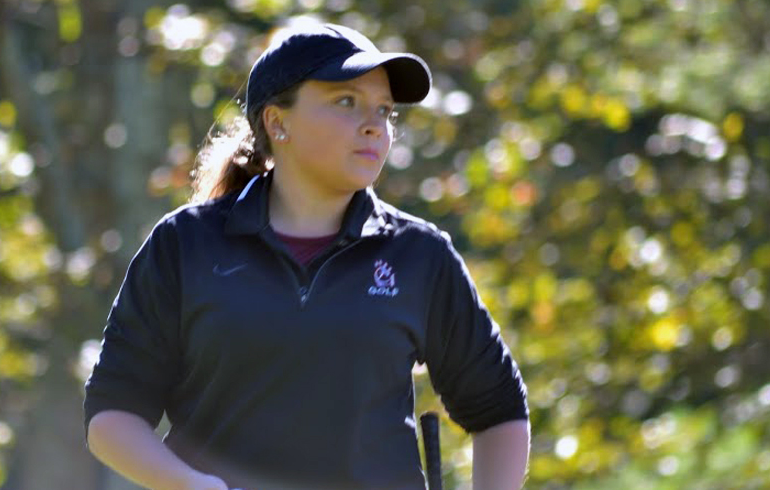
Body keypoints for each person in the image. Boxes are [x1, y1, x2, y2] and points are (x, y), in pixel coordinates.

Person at [84, 20, 530, 490]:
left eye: (384, 111)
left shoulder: (420, 255)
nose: (374, 126)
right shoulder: (184, 244)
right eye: (346, 102)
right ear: (278, 123)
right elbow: (112, 415)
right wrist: (193, 486)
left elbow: (498, 411)